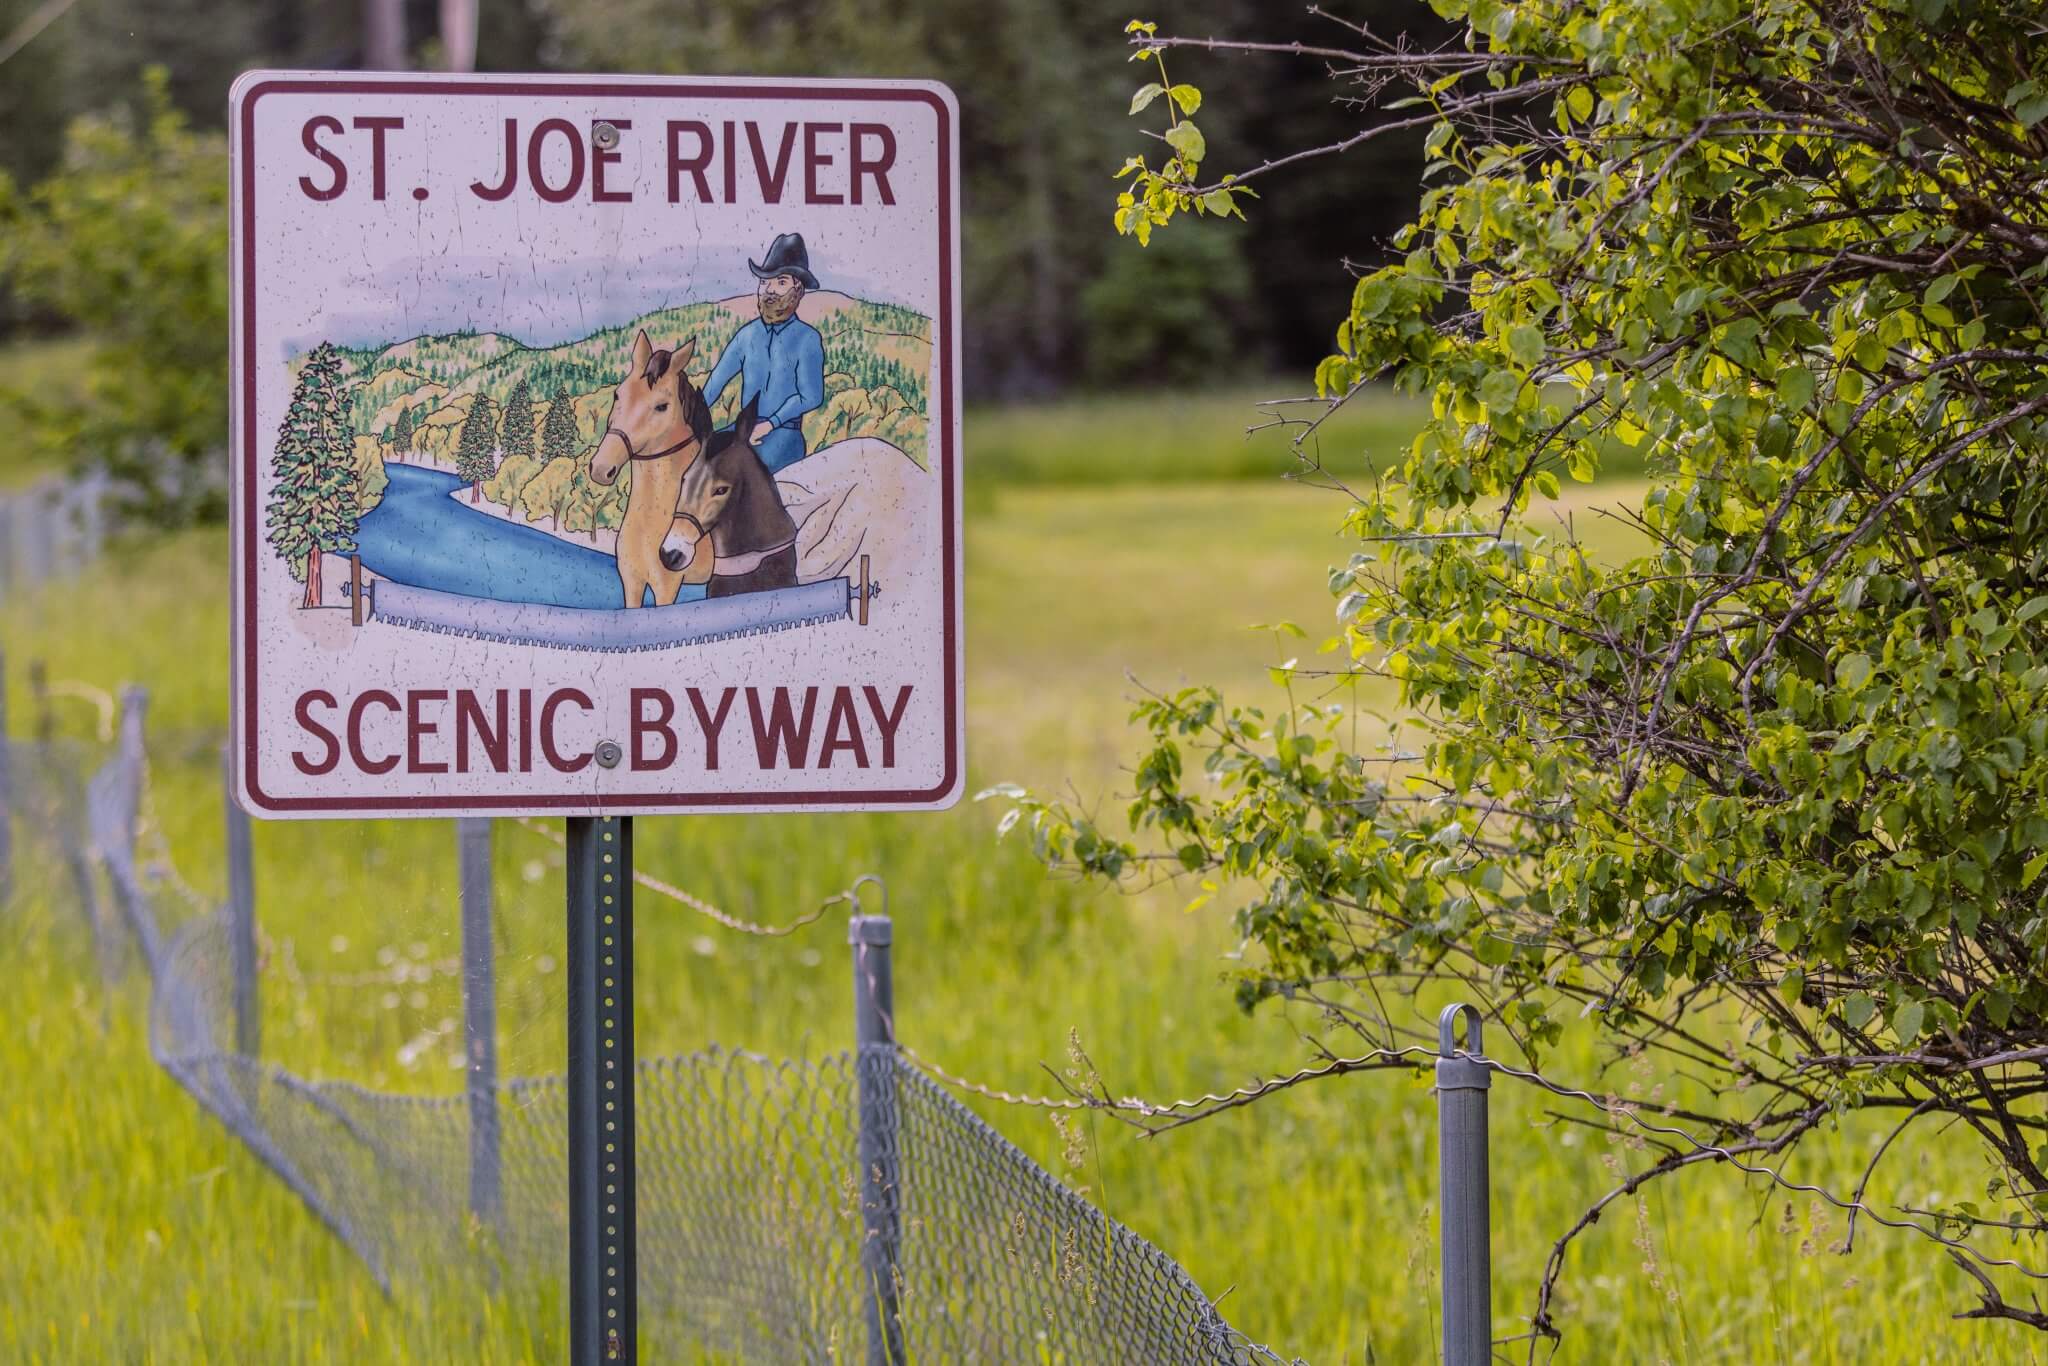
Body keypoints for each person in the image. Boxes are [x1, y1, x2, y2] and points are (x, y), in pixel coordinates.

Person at [701, 232, 827, 474]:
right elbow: (716, 381)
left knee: (742, 473)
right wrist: (691, 416)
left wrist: (770, 424)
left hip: (785, 436)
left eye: (780, 282)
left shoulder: (807, 339)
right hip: (742, 431)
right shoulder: (746, 335)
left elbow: (812, 396)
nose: (769, 290)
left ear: (797, 290)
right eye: (764, 282)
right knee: (696, 463)